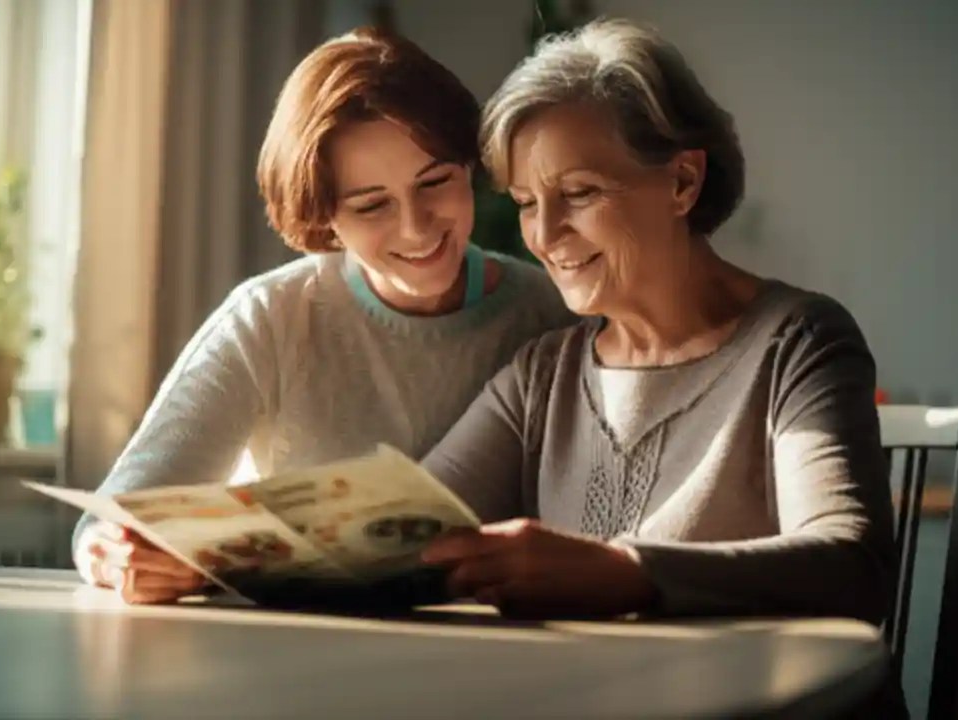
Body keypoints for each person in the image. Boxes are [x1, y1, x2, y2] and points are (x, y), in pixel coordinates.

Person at [420, 18, 898, 626]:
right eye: (525, 203)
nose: (543, 235)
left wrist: (625, 573)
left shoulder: (798, 343)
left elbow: (854, 566)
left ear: (682, 181)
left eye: (581, 192)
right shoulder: (542, 375)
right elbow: (404, 531)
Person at [73, 27, 572, 604]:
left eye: (436, 182)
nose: (416, 227)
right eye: (372, 205)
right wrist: (116, 557)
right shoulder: (271, 317)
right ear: (325, 218)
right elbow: (113, 520)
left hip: (501, 654)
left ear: (469, 167)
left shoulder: (550, 311)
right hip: (299, 650)